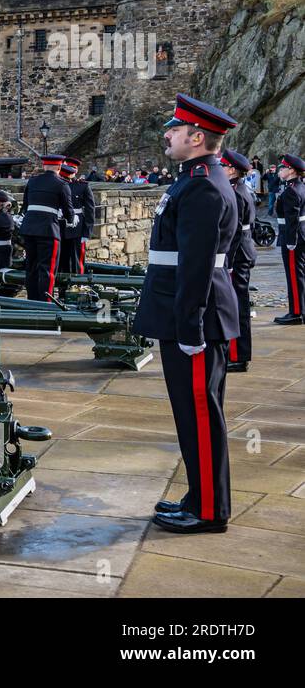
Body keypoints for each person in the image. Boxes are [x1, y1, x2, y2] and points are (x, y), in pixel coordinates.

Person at [133, 94, 238, 535]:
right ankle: (199, 496)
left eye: (175, 130)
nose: (167, 135)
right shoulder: (193, 179)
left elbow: (195, 266)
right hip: (182, 314)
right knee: (191, 413)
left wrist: (189, 325)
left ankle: (210, 511)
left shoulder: (202, 185)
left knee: (199, 412)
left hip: (193, 319)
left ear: (197, 137)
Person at [19, 154, 75, 302]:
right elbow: (69, 211)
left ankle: (32, 300)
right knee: (47, 270)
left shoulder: (32, 181)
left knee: (31, 268)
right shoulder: (62, 184)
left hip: (29, 229)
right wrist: (70, 218)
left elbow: (25, 206)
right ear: (59, 167)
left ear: (44, 166)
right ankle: (45, 303)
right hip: (48, 230)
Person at [221, 150, 256, 371]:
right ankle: (237, 353)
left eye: (224, 167)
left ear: (232, 170)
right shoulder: (240, 189)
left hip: (237, 253)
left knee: (236, 306)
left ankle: (237, 355)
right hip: (243, 250)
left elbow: (234, 232)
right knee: (236, 303)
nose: (221, 170)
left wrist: (229, 262)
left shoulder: (236, 192)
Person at [273, 154, 305, 324]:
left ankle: (296, 313)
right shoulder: (299, 187)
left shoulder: (292, 190)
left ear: (291, 170)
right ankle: (301, 310)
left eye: (283, 168)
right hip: (300, 235)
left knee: (294, 275)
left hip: (293, 237)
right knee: (299, 275)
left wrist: (290, 242)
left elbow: (292, 219)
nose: (280, 170)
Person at [58, 157, 95, 275]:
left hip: (77, 228)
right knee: (59, 261)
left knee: (76, 261)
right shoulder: (58, 183)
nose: (70, 170)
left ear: (76, 170)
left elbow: (90, 210)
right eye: (67, 167)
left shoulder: (82, 186)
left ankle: (77, 287)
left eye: (73, 168)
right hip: (59, 225)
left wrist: (87, 231)